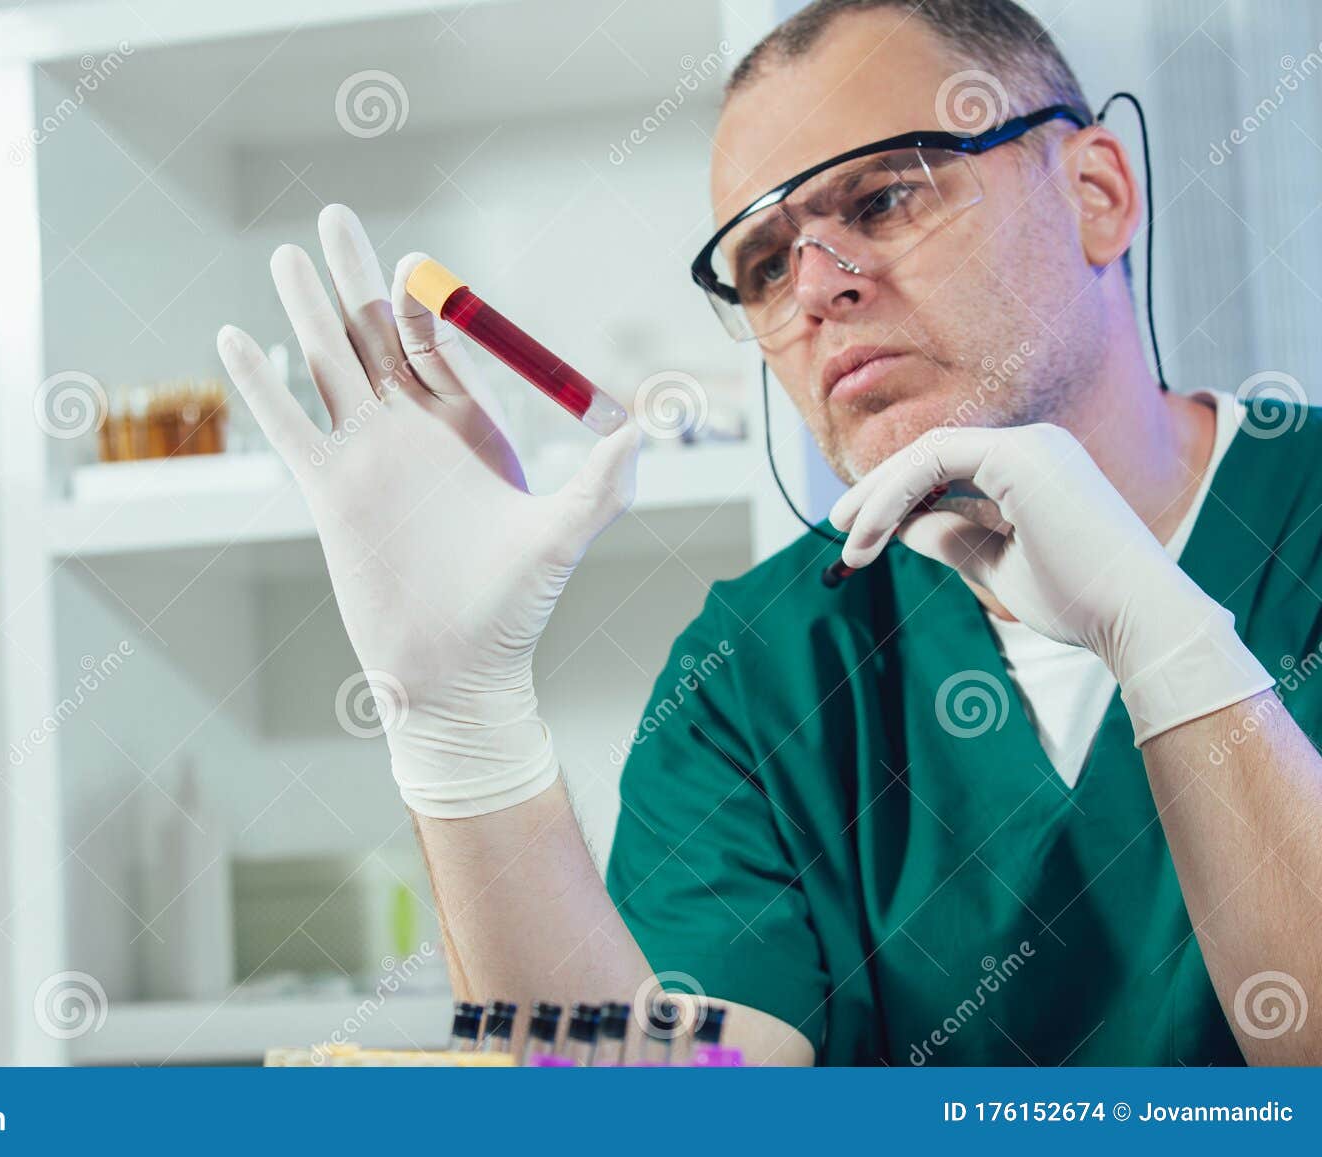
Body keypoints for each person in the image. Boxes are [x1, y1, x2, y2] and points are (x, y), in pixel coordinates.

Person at [216, 0, 1322, 1065]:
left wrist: (1166, 640)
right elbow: (660, 1124)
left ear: (1095, 191)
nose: (815, 290)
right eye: (761, 264)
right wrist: (460, 726)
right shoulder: (754, 672)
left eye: (885, 198)